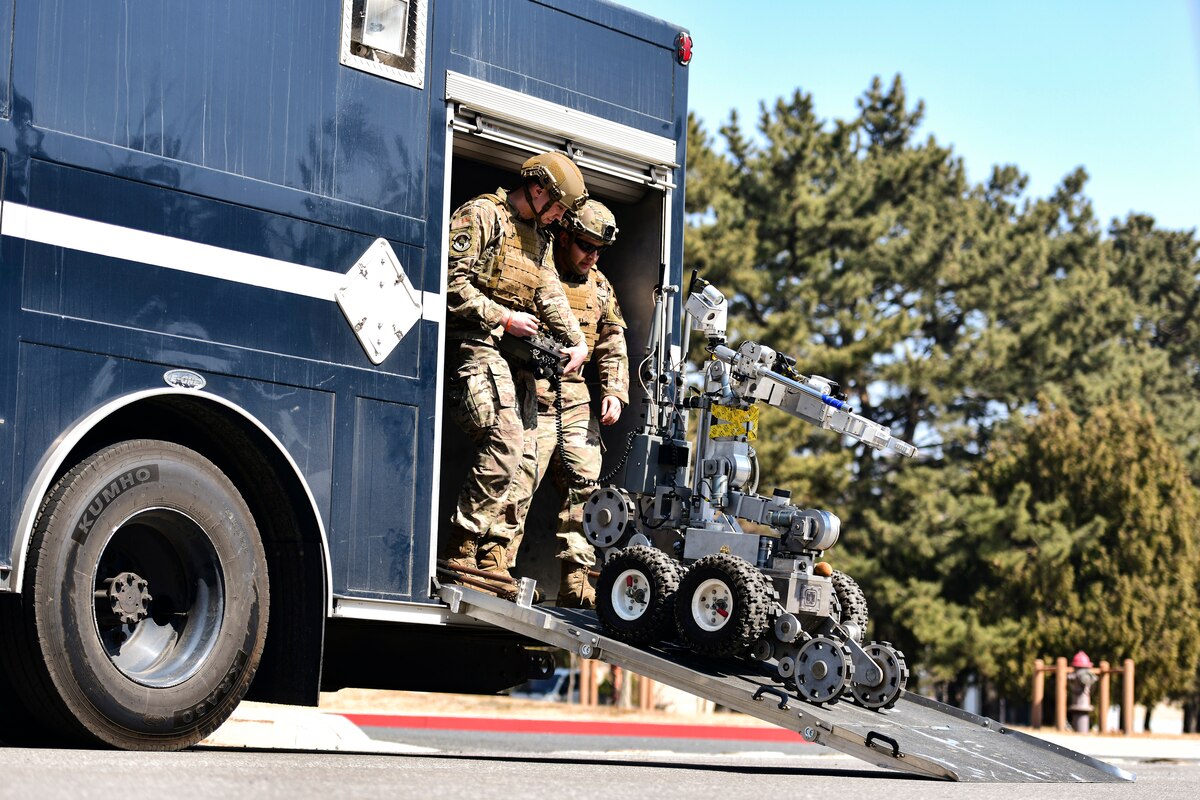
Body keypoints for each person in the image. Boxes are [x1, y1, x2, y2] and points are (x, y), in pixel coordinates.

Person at [442, 152, 590, 587]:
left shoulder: (540, 238)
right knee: (505, 442)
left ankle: (492, 554)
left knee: (525, 456)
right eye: (558, 207)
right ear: (538, 190)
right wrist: (505, 318)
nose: (560, 218)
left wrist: (577, 340)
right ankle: (461, 545)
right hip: (473, 344)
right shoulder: (482, 214)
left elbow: (549, 293)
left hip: (512, 359)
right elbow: (449, 282)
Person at [506, 199, 629, 608]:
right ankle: (495, 565)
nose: (592, 256)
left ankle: (577, 581)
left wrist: (613, 390)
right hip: (529, 387)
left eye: (599, 250)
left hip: (574, 396)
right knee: (518, 477)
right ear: (564, 236)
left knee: (586, 485)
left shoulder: (600, 286)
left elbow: (612, 341)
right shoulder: (535, 269)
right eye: (585, 246)